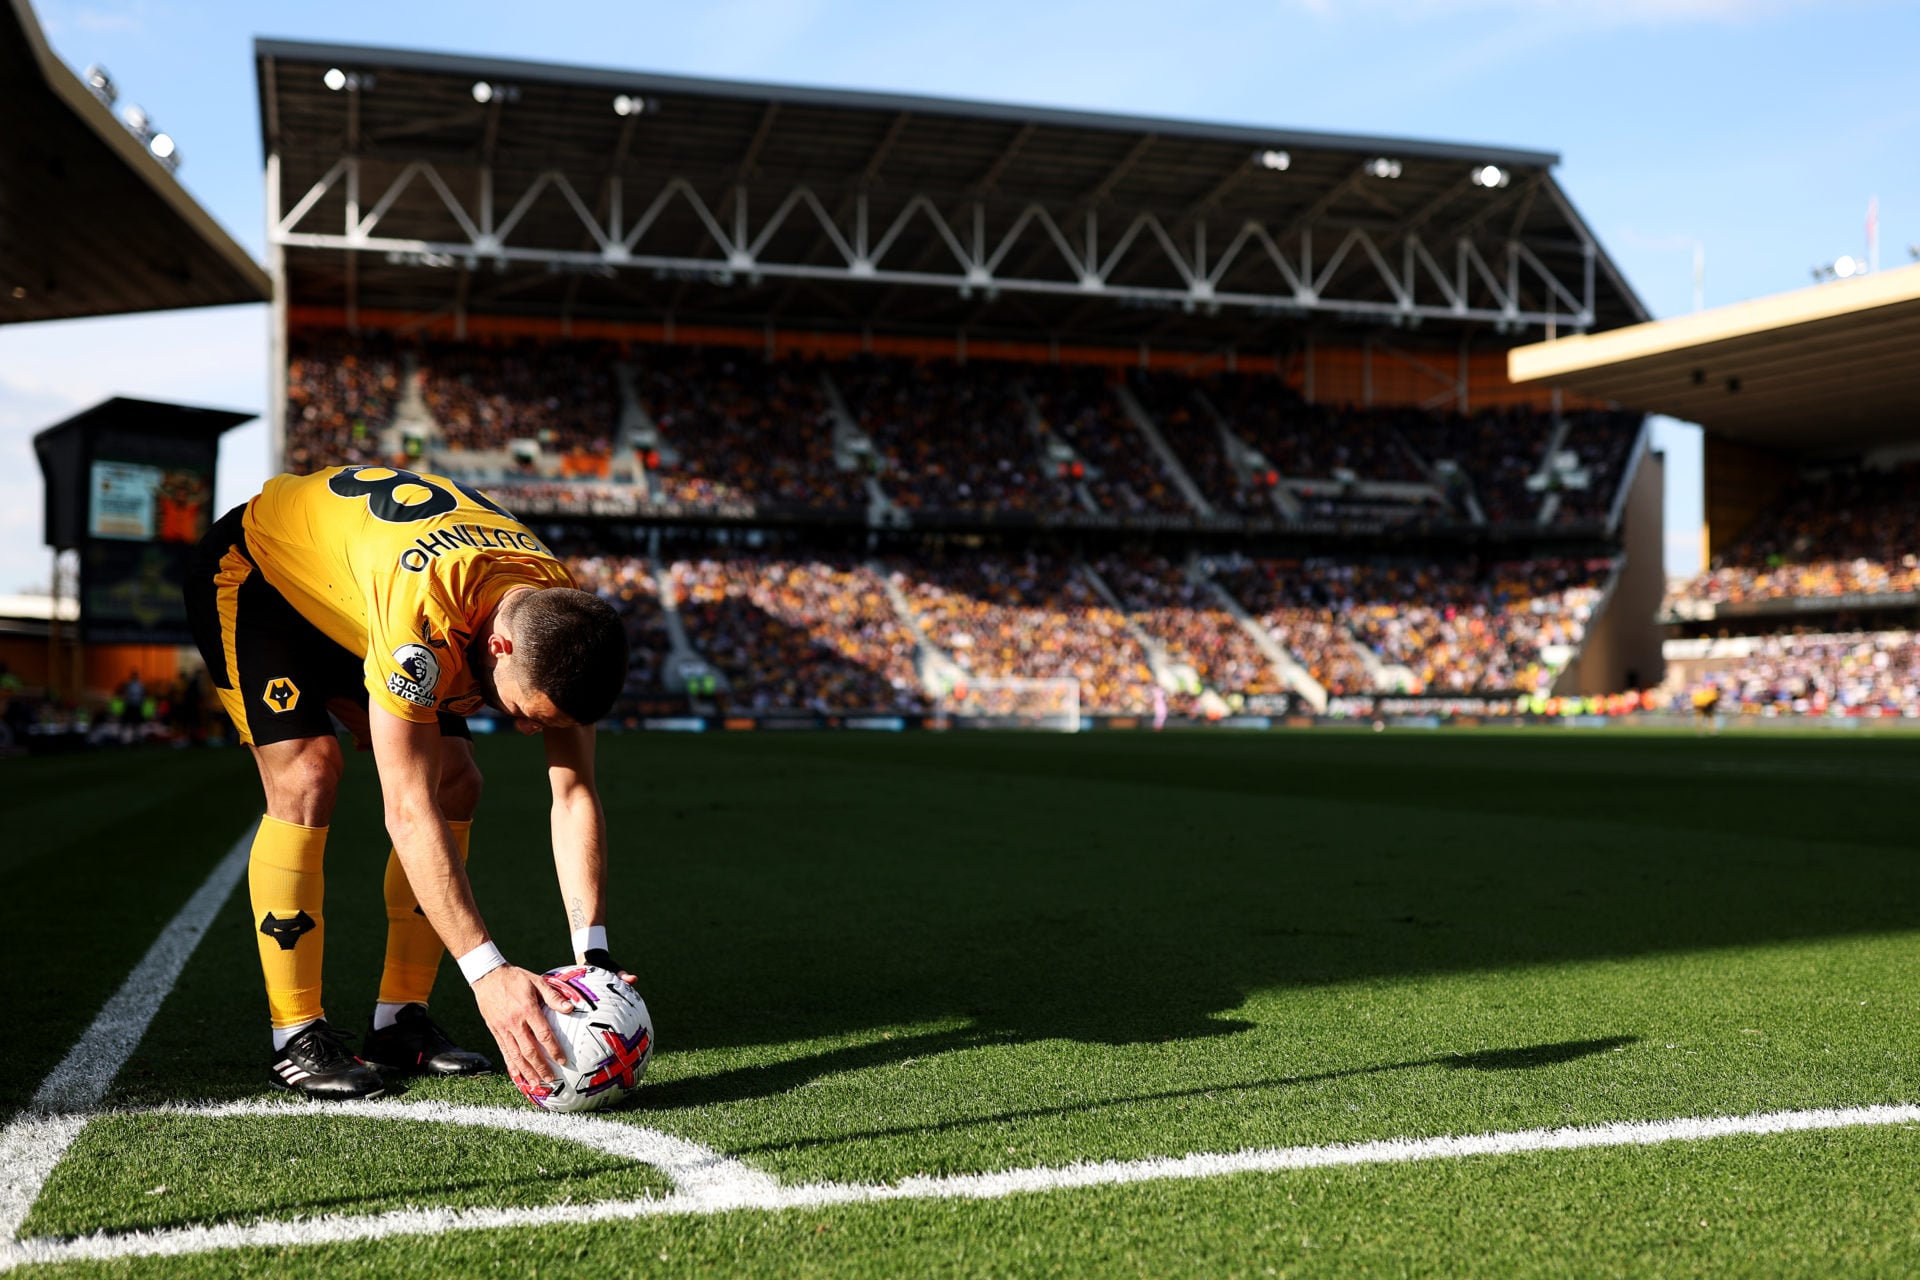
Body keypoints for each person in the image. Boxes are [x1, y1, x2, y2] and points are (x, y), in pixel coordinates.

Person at [185, 464, 631, 1102]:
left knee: (458, 779)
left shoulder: (555, 610)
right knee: (310, 772)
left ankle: (398, 1023)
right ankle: (298, 1034)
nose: (532, 734)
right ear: (500, 648)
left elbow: (574, 792)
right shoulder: (425, 620)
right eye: (530, 716)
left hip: (359, 588)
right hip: (260, 579)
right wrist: (489, 975)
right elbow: (406, 810)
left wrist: (595, 954)